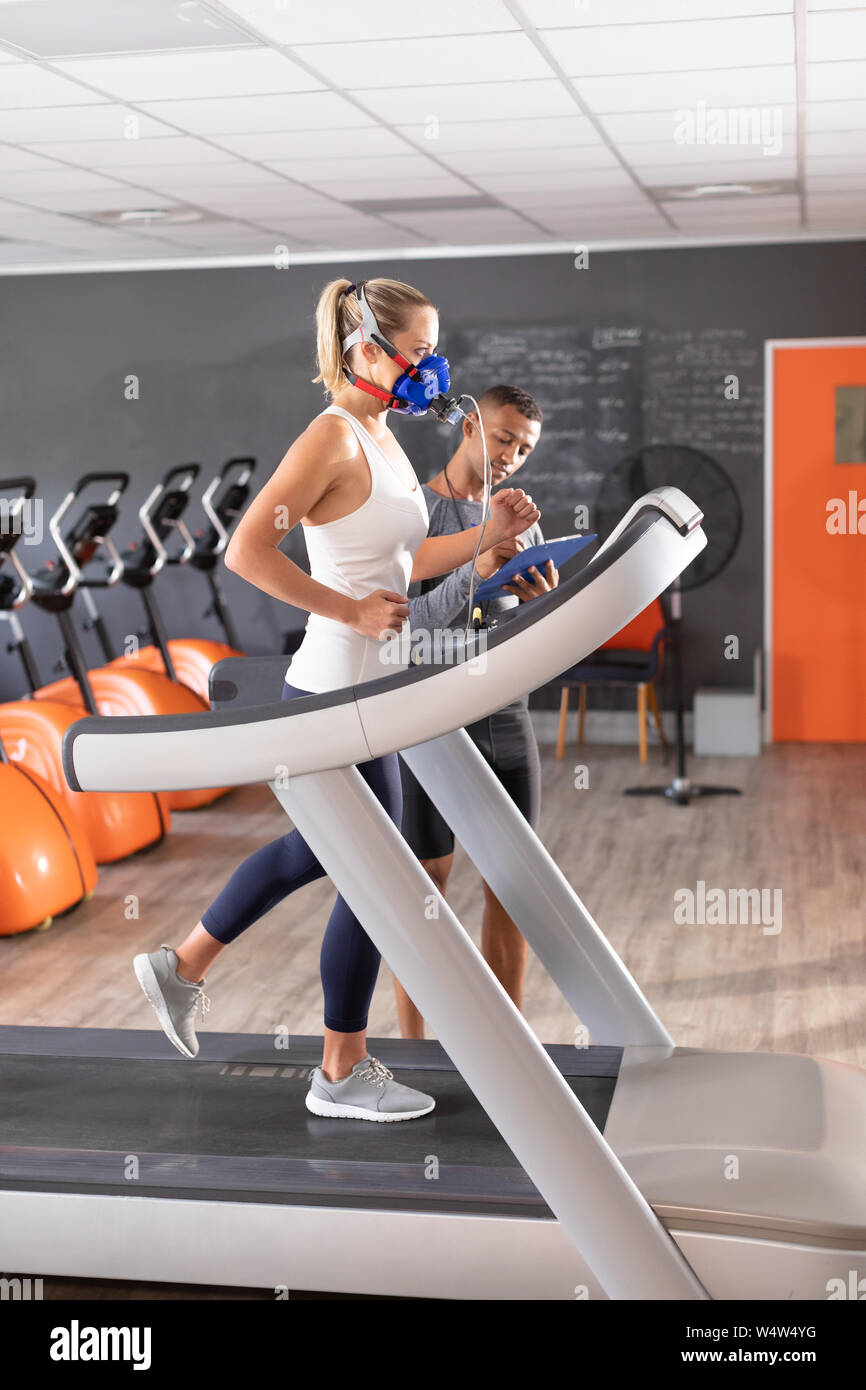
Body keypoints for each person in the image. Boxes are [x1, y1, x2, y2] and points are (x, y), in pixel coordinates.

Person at [132, 278, 539, 1122]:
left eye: (436, 352)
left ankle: (186, 966)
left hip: (369, 691)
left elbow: (407, 560)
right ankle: (338, 1070)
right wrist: (348, 608)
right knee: (374, 877)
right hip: (332, 688)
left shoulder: (382, 437)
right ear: (364, 350)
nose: (434, 368)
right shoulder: (331, 436)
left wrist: (489, 539)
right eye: (419, 353)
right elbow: (247, 550)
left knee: (334, 858)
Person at [395, 384, 557, 1038]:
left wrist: (542, 599)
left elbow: (523, 634)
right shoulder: (413, 516)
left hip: (504, 713)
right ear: (467, 425)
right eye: (503, 437)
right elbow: (409, 634)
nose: (513, 455)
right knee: (424, 887)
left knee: (513, 887)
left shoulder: (521, 514)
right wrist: (480, 563)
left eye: (524, 446)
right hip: (429, 717)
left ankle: (509, 1046)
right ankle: (411, 1048)